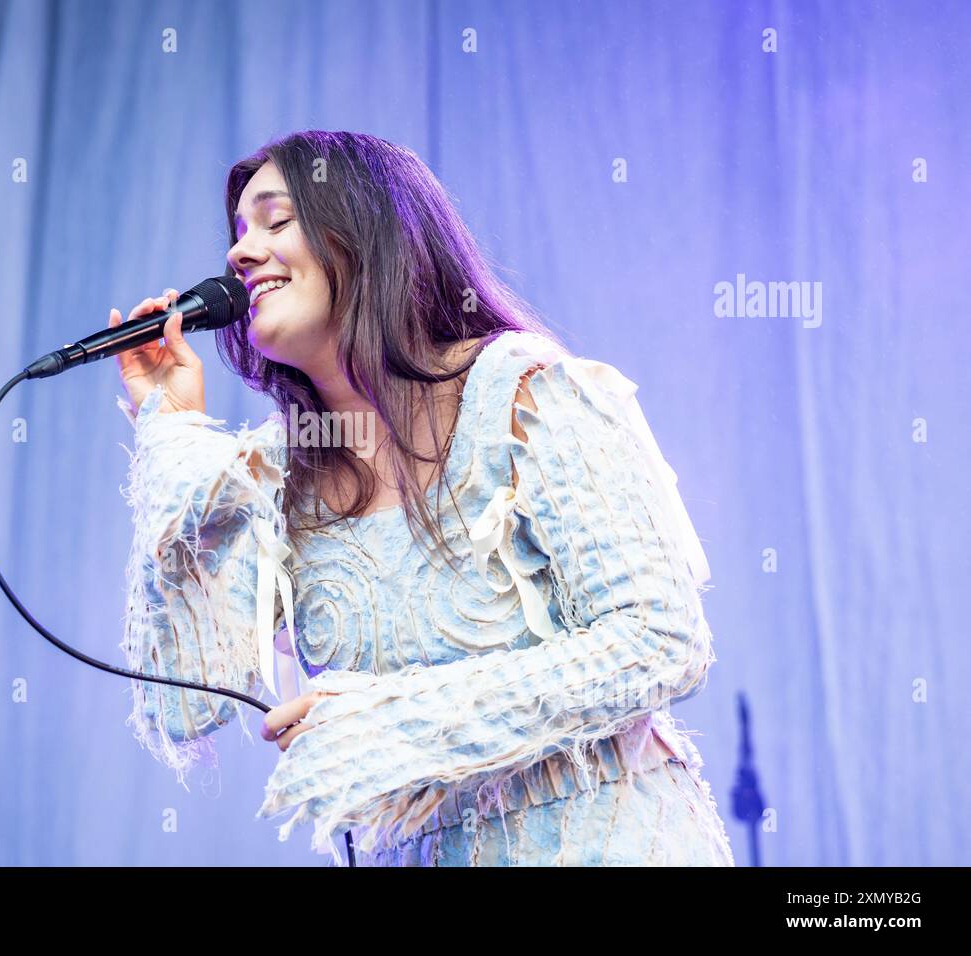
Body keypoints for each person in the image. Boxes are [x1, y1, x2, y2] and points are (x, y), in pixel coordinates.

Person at [110, 130, 735, 867]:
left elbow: (660, 640)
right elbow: (182, 706)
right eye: (239, 234)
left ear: (366, 232)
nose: (240, 254)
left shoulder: (529, 396)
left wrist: (393, 722)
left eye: (275, 221)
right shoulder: (277, 475)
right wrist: (172, 435)